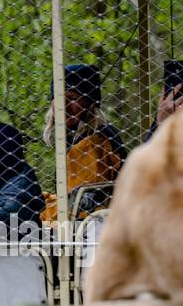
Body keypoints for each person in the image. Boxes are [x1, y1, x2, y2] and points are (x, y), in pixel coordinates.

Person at [41, 64, 124, 222]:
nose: (64, 106)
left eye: (72, 98)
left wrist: (40, 214)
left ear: (90, 103)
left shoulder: (92, 143)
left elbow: (81, 208)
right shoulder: (83, 136)